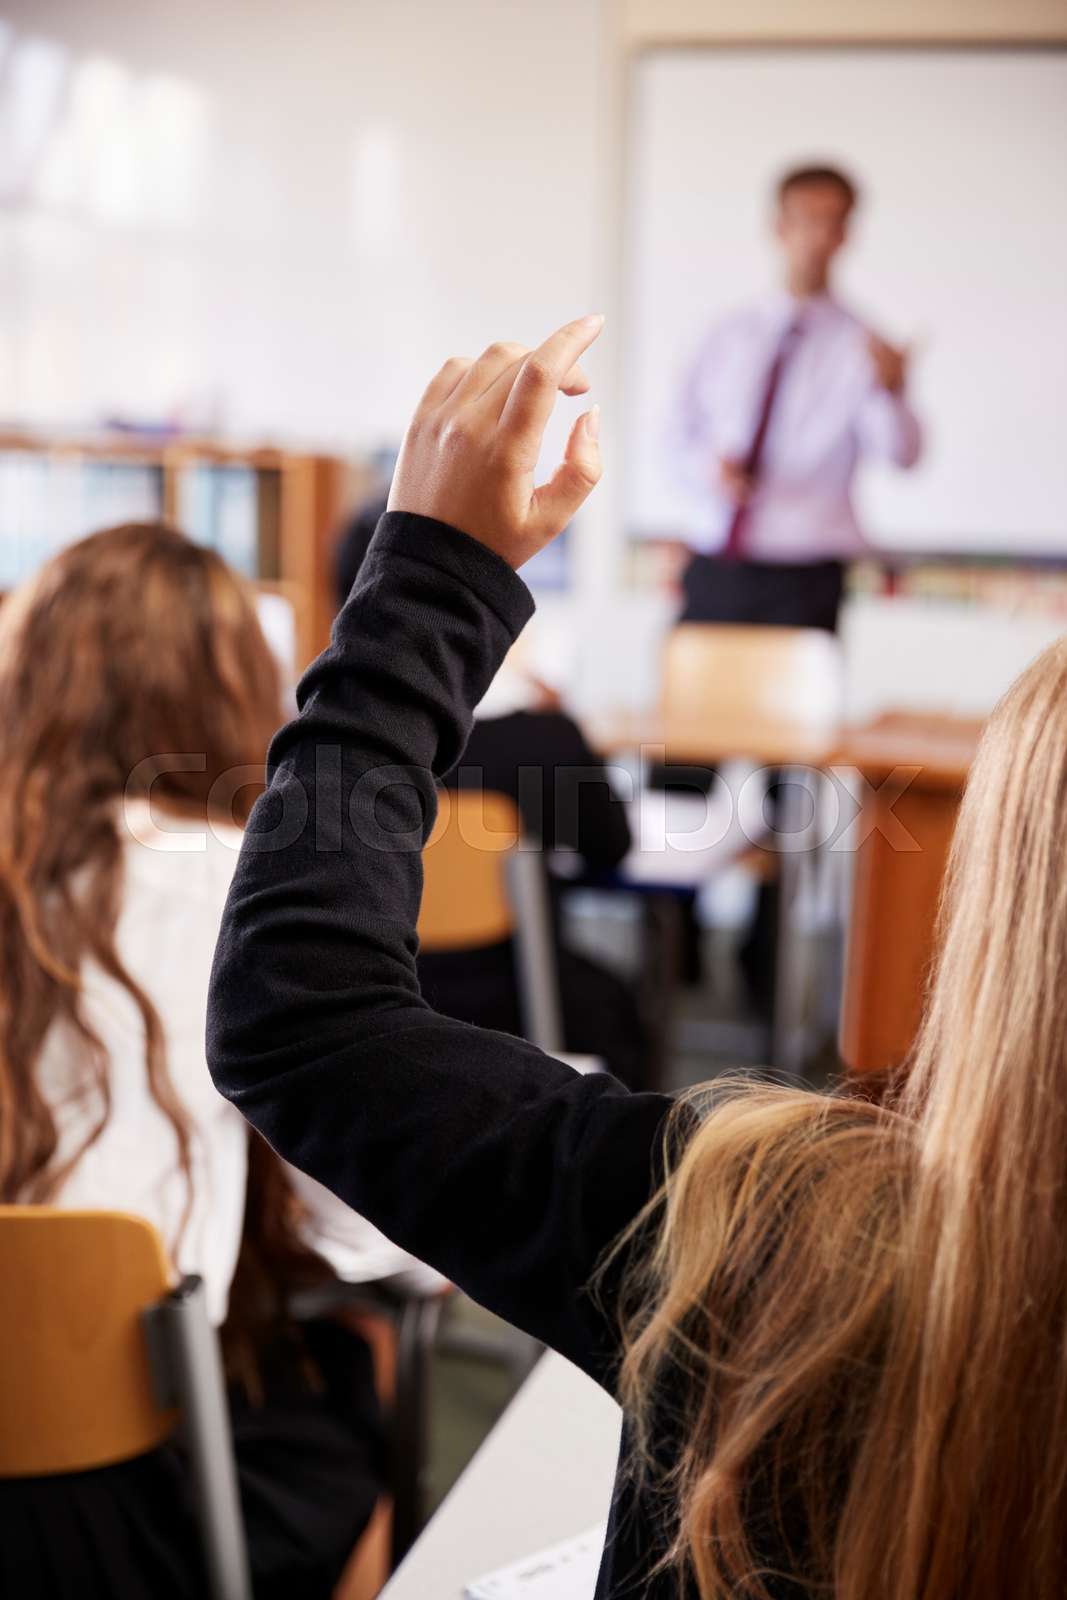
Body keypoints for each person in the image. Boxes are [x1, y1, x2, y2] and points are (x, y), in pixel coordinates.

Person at [208, 313, 1067, 1598]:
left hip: (445, 1034)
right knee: (613, 993)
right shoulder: (548, 742)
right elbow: (607, 843)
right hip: (540, 992)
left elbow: (303, 1017)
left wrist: (431, 579)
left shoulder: (765, 1227)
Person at [0, 523, 411, 1599]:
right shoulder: (252, 888)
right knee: (357, 1358)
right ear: (239, 692)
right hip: (127, 1496)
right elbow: (360, 1230)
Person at [337, 494, 648, 1084]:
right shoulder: (543, 738)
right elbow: (610, 848)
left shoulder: (317, 748)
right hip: (523, 1003)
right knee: (618, 1009)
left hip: (365, 1010)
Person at [676, 163, 921, 634]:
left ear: (847, 233)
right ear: (779, 226)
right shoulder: (726, 335)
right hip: (717, 561)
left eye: (832, 222)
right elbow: (674, 439)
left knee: (800, 702)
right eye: (806, 219)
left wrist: (893, 394)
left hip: (806, 575)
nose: (817, 236)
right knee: (692, 697)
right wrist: (713, 470)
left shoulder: (865, 347)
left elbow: (901, 455)